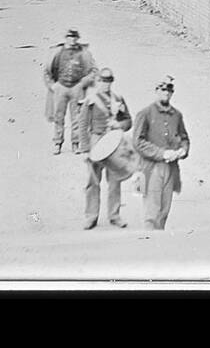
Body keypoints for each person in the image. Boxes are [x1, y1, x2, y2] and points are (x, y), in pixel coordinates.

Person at [79, 67, 134, 229]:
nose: (106, 84)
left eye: (109, 81)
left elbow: (128, 121)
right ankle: (91, 216)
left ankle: (114, 215)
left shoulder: (118, 98)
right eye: (103, 81)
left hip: (114, 142)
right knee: (93, 180)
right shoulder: (91, 100)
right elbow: (83, 125)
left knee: (115, 180)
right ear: (98, 82)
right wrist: (85, 149)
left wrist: (119, 124)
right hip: (96, 141)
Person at [132, 75, 190, 230]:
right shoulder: (145, 114)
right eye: (163, 89)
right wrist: (161, 153)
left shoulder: (176, 115)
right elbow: (138, 142)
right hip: (150, 167)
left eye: (169, 90)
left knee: (165, 209)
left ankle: (159, 243)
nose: (166, 93)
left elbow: (184, 137)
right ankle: (150, 245)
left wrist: (183, 150)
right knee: (151, 211)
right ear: (156, 91)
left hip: (171, 167)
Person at [44, 30, 97, 155]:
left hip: (76, 88)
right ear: (66, 38)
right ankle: (58, 143)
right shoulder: (57, 52)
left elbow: (93, 70)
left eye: (74, 37)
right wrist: (53, 85)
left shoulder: (84, 53)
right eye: (69, 37)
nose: (72, 39)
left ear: (77, 38)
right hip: (61, 87)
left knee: (77, 117)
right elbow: (47, 71)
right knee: (58, 116)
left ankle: (75, 144)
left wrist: (83, 82)